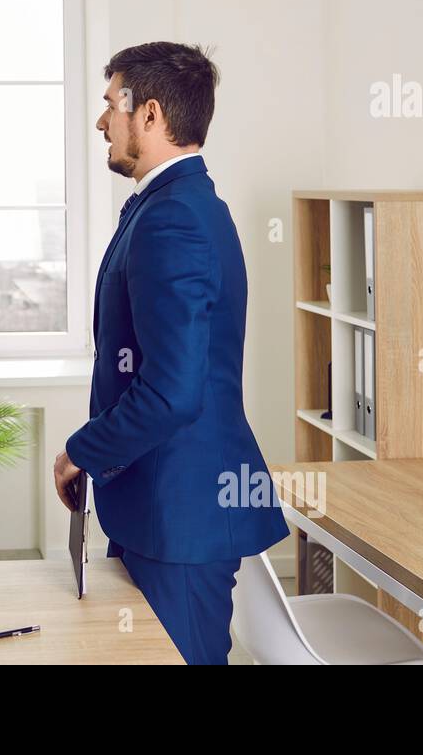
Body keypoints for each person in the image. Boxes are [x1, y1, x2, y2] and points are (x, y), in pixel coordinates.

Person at [53, 42, 289, 664]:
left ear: (150, 114)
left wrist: (81, 451)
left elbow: (172, 391)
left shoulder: (174, 218)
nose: (102, 122)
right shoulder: (173, 205)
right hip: (158, 509)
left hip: (179, 516)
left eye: (111, 106)